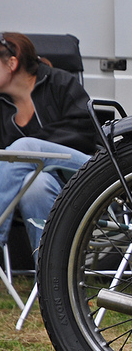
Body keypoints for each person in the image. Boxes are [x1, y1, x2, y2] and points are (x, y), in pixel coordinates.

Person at [0, 32, 95, 260]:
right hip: (41, 185)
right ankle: (48, 283)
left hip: (82, 175)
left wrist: (37, 145)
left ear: (12, 63)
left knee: (24, 148)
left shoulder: (60, 82)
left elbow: (85, 131)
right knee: (35, 186)